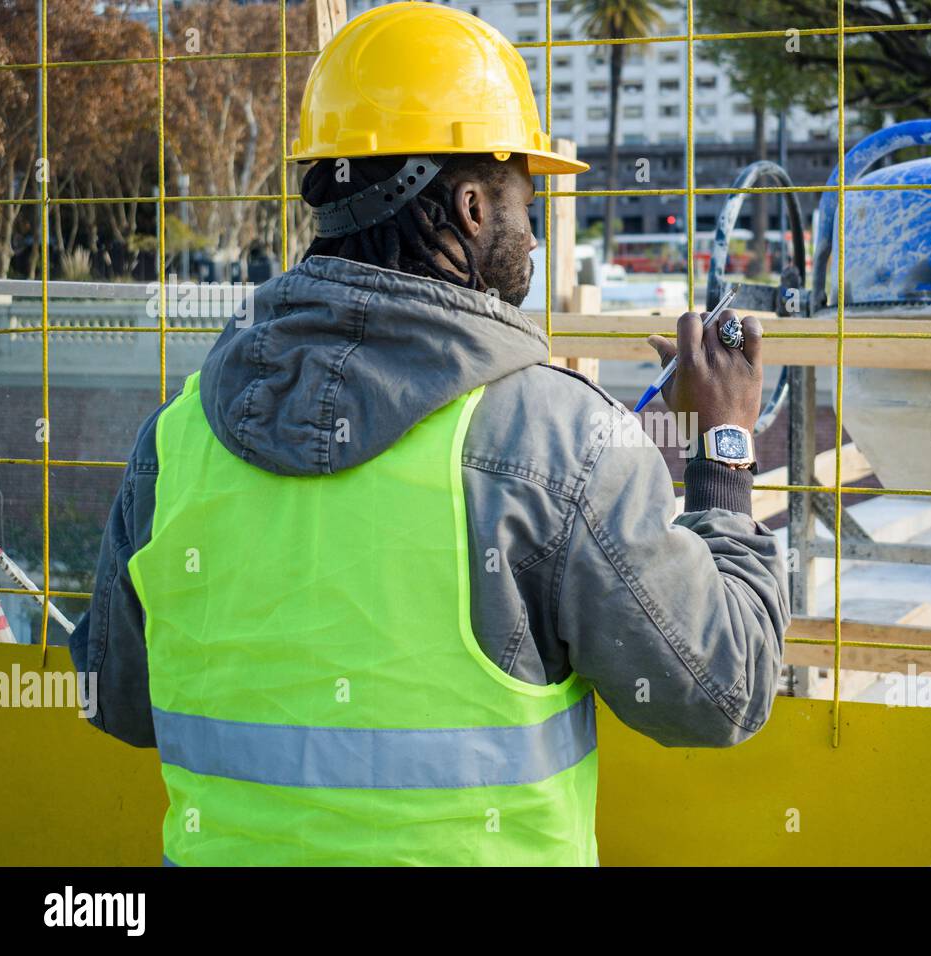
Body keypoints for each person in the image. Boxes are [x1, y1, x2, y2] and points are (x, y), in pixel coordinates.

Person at [69, 1, 789, 866]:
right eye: (529, 193)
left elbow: (113, 697)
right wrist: (723, 452)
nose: (534, 222)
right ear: (475, 206)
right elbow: (723, 692)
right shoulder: (563, 444)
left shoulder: (176, 441)